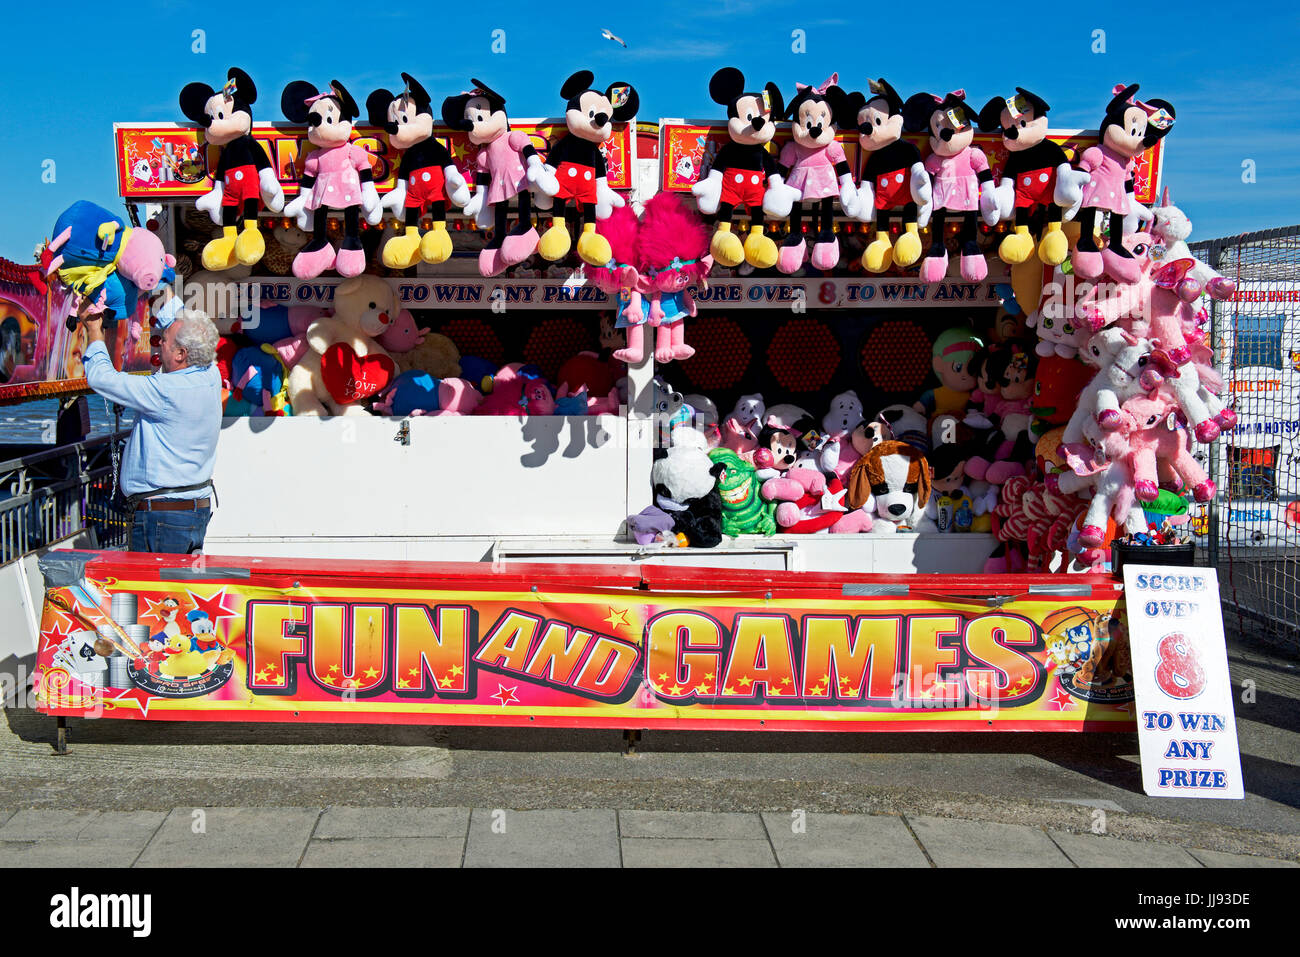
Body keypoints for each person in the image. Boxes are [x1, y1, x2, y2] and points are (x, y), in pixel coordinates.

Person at [81, 308, 222, 553]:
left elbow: (101, 379)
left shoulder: (165, 390)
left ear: (181, 353)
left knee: (154, 590)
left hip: (163, 518)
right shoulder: (212, 374)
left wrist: (94, 330)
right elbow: (188, 326)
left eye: (163, 342)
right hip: (194, 509)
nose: (158, 346)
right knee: (177, 589)